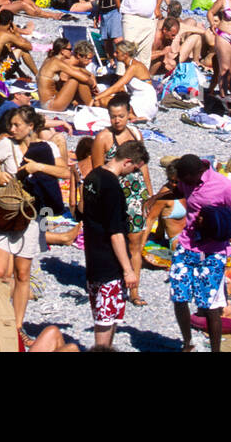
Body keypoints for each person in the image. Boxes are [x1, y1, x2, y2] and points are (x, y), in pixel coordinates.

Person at [0, 105, 67, 338]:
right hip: (4, 211)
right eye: (11, 124)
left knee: (23, 273)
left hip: (30, 215)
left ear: (30, 127)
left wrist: (39, 167)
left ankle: (16, 327)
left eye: (17, 125)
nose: (12, 128)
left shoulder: (46, 148)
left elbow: (66, 172)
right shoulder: (6, 144)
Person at [170, 154, 231, 353]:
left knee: (210, 305)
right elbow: (176, 191)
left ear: (197, 174)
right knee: (179, 296)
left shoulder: (224, 185)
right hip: (187, 246)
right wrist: (153, 198)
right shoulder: (187, 182)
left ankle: (215, 350)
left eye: (186, 180)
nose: (184, 184)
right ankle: (187, 343)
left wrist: (213, 224)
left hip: (213, 251)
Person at [82, 141, 149, 349]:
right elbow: (116, 233)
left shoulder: (92, 176)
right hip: (109, 262)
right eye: (134, 169)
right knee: (106, 319)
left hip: (92, 256)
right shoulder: (112, 186)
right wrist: (128, 270)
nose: (131, 174)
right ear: (128, 162)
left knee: (102, 316)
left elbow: (82, 210)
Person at [91, 94, 153, 305]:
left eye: (121, 116)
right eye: (113, 116)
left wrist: (149, 194)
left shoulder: (136, 134)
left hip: (135, 193)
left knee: (135, 244)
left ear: (129, 115)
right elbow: (97, 171)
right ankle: (112, 282)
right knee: (113, 239)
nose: (117, 121)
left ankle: (134, 291)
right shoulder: (102, 138)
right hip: (113, 193)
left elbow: (143, 165)